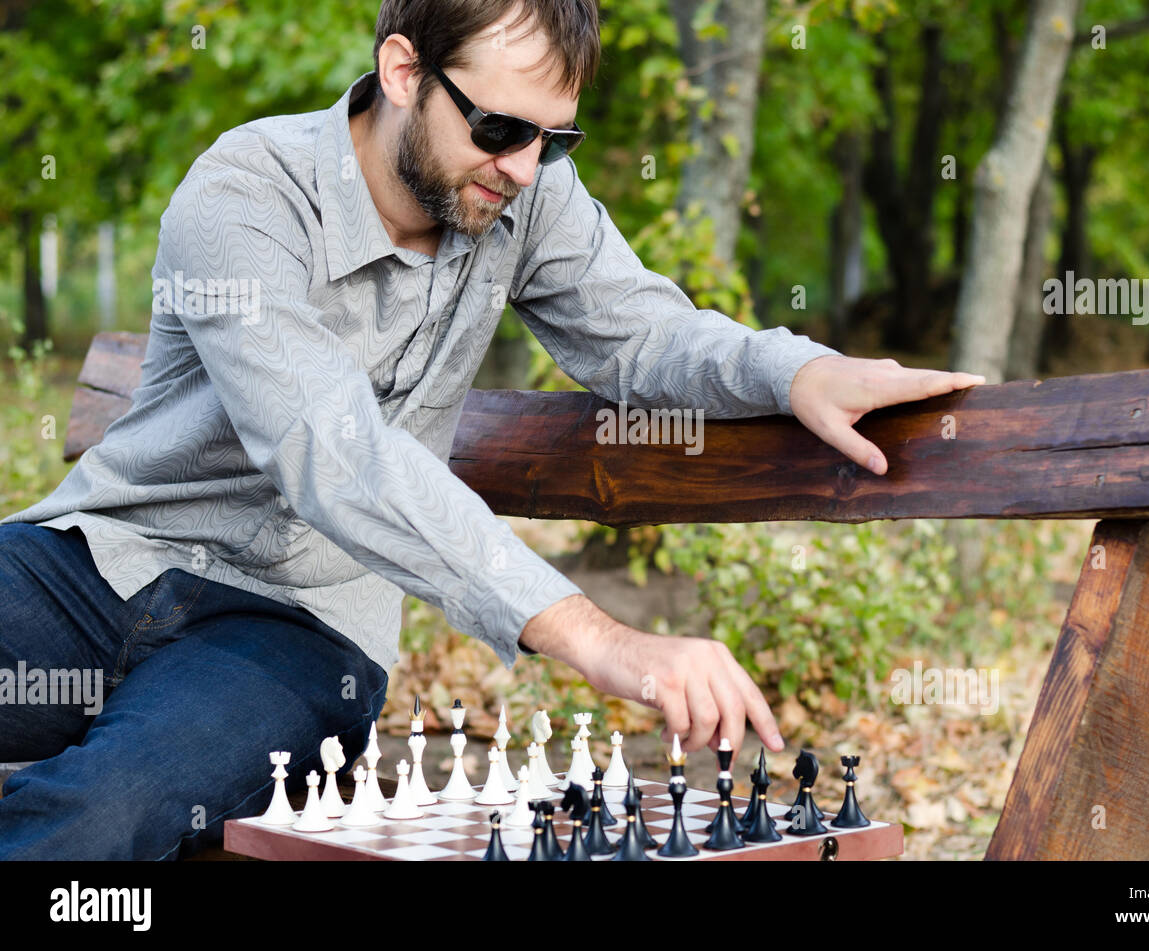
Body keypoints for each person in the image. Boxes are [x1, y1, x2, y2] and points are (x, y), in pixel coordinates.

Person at [0, 0, 982, 859]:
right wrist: (598, 638)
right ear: (401, 71)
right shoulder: (246, 193)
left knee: (101, 811)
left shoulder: (528, 195)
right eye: (501, 128)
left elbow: (641, 336)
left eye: (555, 140)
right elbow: (329, 451)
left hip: (299, 629)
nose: (523, 168)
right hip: (106, 561)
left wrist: (796, 368)